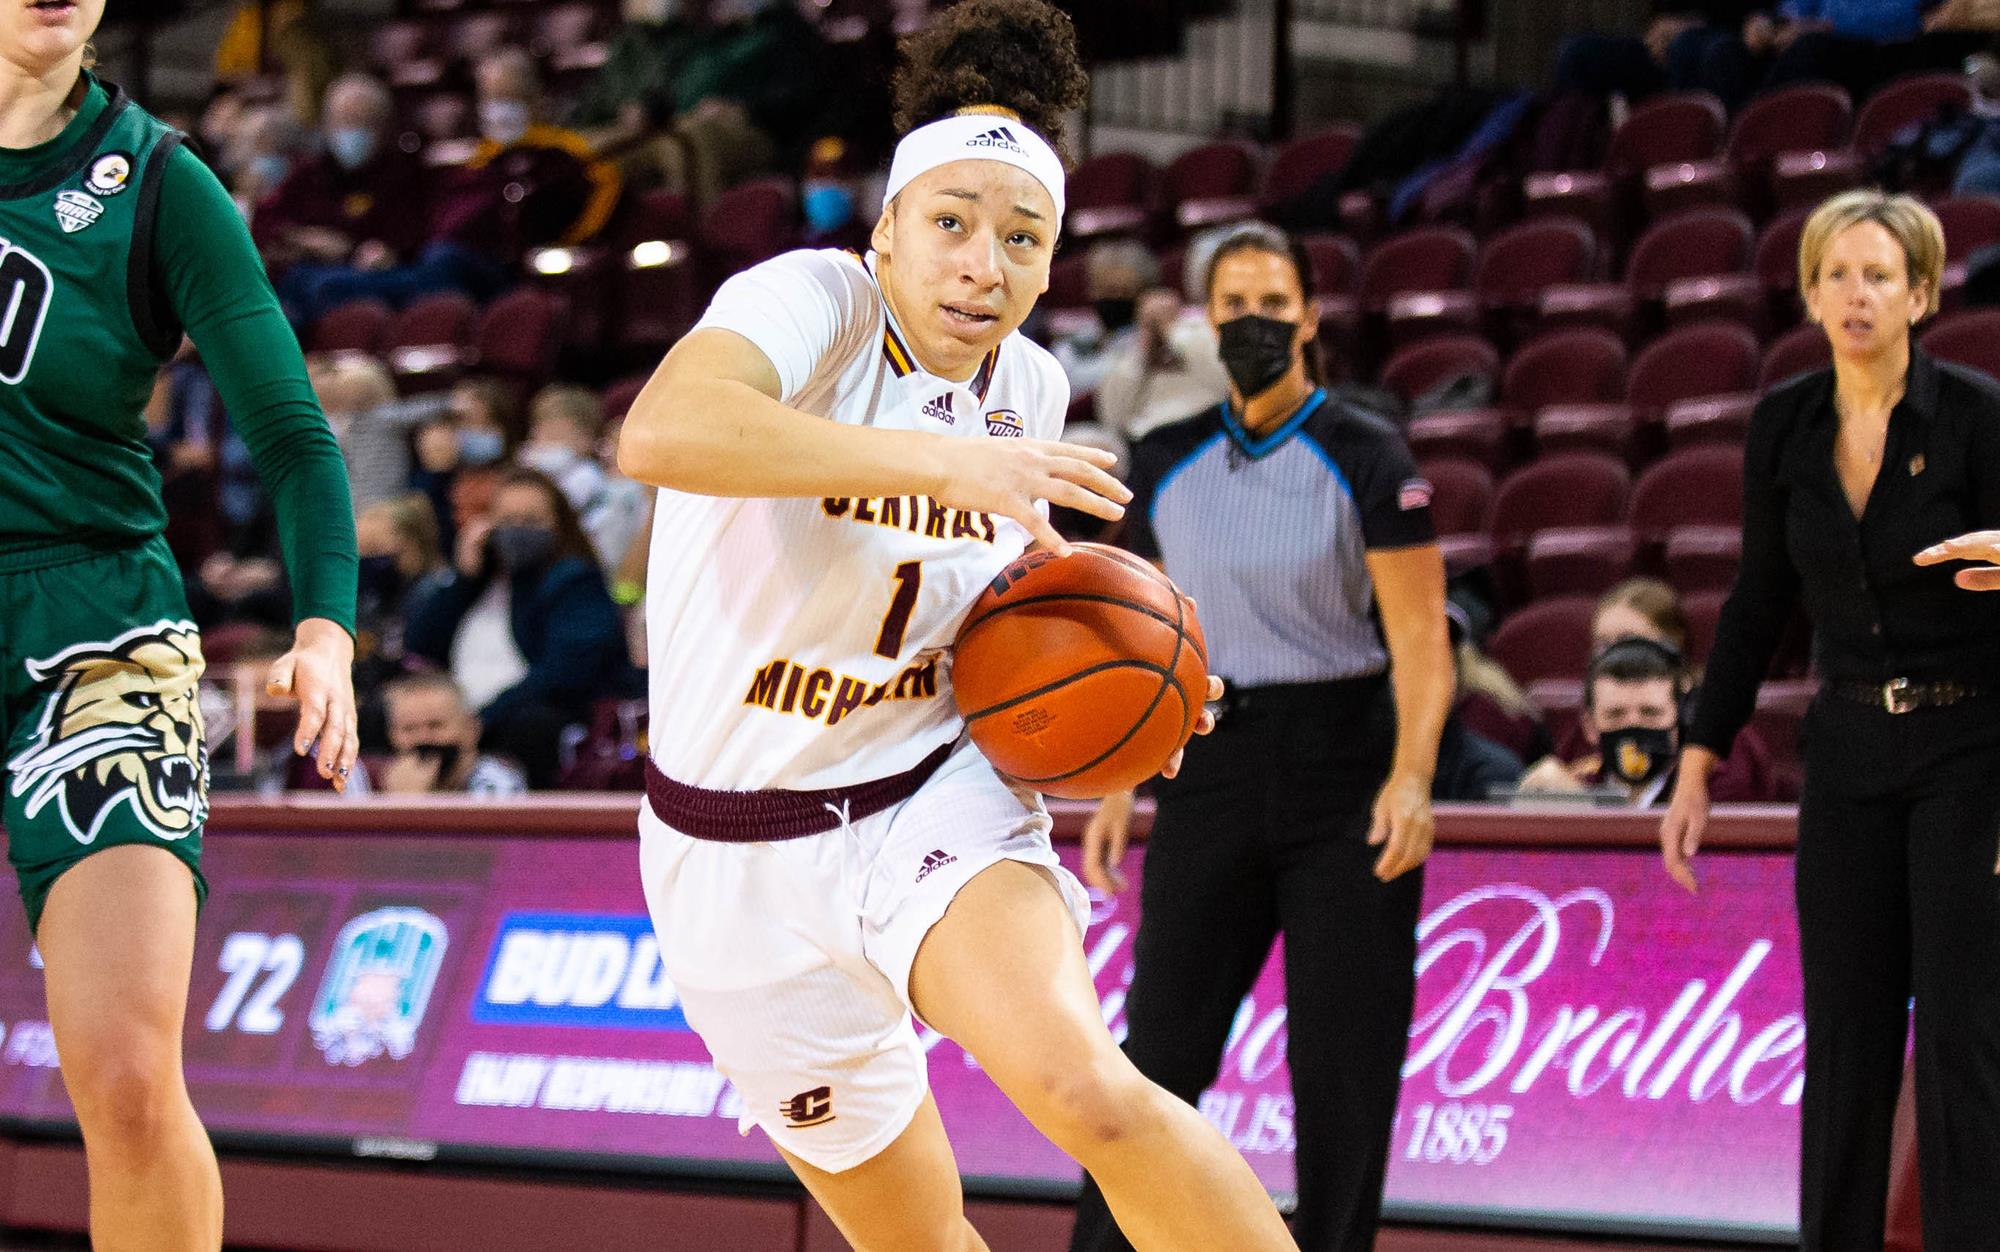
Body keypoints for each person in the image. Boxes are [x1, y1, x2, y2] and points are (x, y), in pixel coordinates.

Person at [614, 3, 1294, 1247]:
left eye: (1021, 238)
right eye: (952, 224)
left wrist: (1135, 671)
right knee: (913, 1238)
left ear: (1048, 266)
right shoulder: (808, 301)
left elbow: (991, 616)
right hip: (728, 851)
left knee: (1091, 1091)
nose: (984, 262)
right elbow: (662, 433)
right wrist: (938, 468)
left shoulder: (1025, 387)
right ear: (886, 233)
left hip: (921, 798)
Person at [0, 2, 360, 1247]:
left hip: (91, 627)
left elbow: (294, 437)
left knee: (129, 1078)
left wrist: (325, 629)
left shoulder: (158, 182)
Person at [1071, 219, 1453, 1252]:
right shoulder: (1162, 456)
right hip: (1207, 760)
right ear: (1205, 320)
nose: (1252, 324)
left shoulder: (1366, 456)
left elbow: (1421, 642)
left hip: (1345, 766)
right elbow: (1134, 635)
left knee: (1341, 1069)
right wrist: (1117, 781)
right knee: (1153, 1056)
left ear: (1308, 318)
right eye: (1232, 307)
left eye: (1271, 306)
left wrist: (1411, 779)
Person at [1664, 189, 2000, 1251]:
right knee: (1844, 1043)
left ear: (1919, 293)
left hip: (1969, 748)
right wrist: (1696, 756)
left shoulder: (1979, 418)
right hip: (1846, 750)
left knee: (1962, 1042)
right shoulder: (1785, 423)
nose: (1855, 295)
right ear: (1808, 290)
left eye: (1877, 276)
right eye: (1835, 275)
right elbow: (1757, 601)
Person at [404, 466, 627, 789]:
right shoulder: (479, 579)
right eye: (507, 519)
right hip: (455, 717)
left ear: (558, 525)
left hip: (513, 720)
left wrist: (482, 719)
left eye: (532, 520)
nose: (518, 530)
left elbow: (565, 672)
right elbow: (420, 644)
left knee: (531, 726)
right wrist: (463, 579)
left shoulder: (574, 581)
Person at [255, 73, 428, 319]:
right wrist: (304, 239)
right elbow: (265, 222)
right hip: (303, 271)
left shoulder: (403, 175)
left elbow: (406, 238)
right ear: (327, 125)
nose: (353, 132)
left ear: (384, 126)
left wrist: (351, 249)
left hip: (364, 277)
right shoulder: (309, 173)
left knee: (316, 290)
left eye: (364, 122)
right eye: (344, 121)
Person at [1519, 636, 1689, 803]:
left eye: (1650, 713)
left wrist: (1583, 808)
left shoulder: (1707, 789)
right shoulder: (1570, 786)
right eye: (1616, 714)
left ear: (1679, 720)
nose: (1633, 724)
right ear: (1590, 727)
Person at [370, 672, 526, 797]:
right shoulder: (369, 781)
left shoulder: (495, 782)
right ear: (391, 735)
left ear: (471, 729)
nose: (423, 738)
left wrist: (408, 802)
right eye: (408, 729)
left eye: (435, 725)